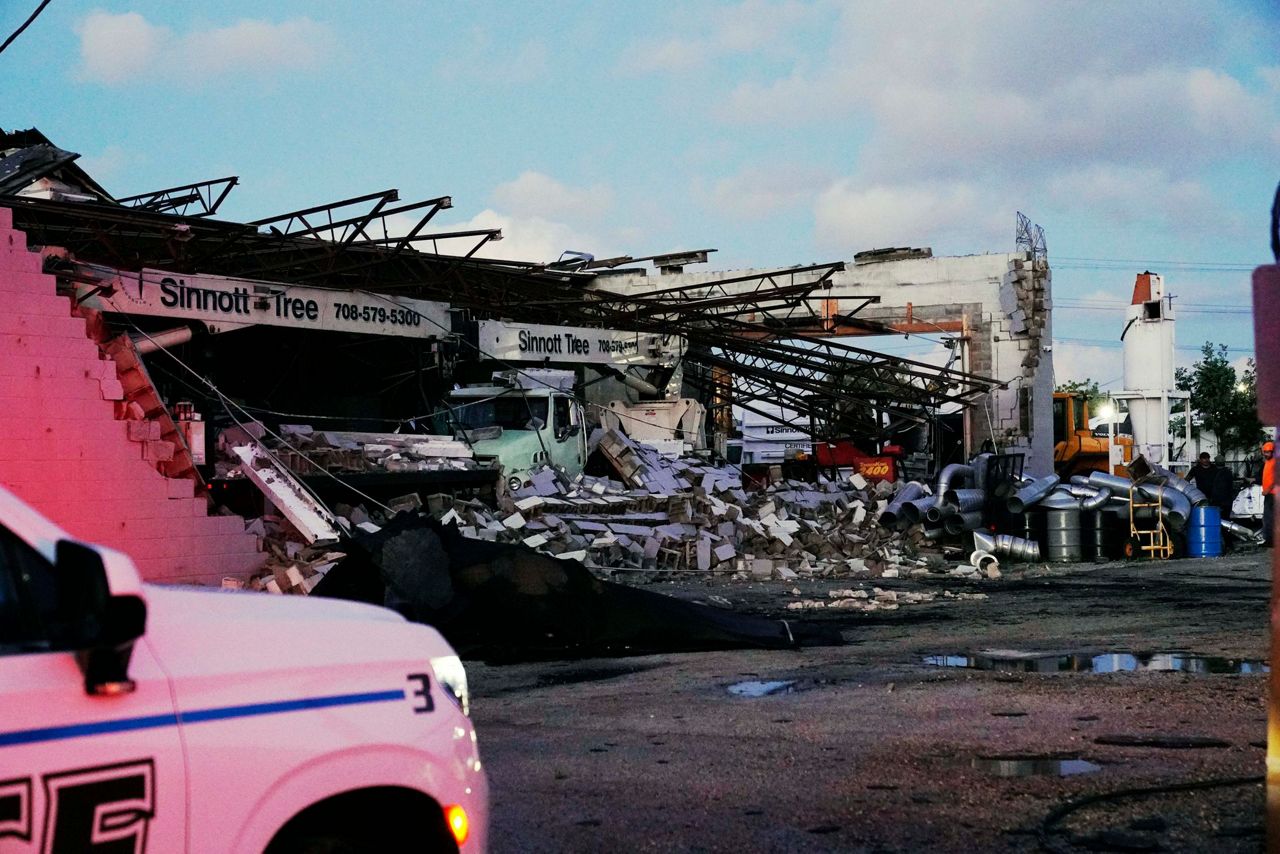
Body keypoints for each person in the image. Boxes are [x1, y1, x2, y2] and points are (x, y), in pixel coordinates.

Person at [1262, 441, 1276, 547]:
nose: (1266, 454)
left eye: (1268, 452)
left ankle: (1270, 541)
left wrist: (1268, 489)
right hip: (1269, 494)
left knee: (1269, 518)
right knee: (1268, 518)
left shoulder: (1275, 462)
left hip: (1272, 494)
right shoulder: (1268, 461)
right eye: (1265, 452)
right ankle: (1270, 541)